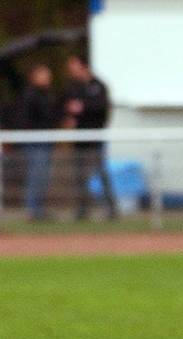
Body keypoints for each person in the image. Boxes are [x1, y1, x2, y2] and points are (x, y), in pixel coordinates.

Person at [63, 54, 117, 221]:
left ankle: (111, 209)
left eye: (74, 67)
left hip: (95, 137)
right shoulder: (72, 87)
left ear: (84, 67)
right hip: (79, 138)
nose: (72, 71)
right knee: (80, 175)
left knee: (101, 172)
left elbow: (102, 108)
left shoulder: (98, 85)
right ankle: (82, 210)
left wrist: (82, 108)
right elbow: (63, 106)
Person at [16, 64, 60, 221]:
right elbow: (25, 119)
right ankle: (33, 210)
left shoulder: (46, 94)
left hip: (45, 140)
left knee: (42, 176)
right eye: (44, 75)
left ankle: (38, 209)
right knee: (36, 175)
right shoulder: (30, 95)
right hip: (36, 141)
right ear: (34, 76)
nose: (48, 78)